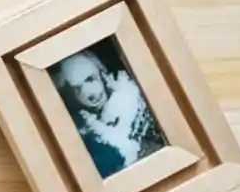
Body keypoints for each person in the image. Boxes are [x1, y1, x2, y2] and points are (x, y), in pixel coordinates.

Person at [51, 49, 166, 177]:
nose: (88, 93)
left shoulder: (138, 101)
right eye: (77, 89)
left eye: (90, 79)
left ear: (102, 73)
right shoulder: (84, 134)